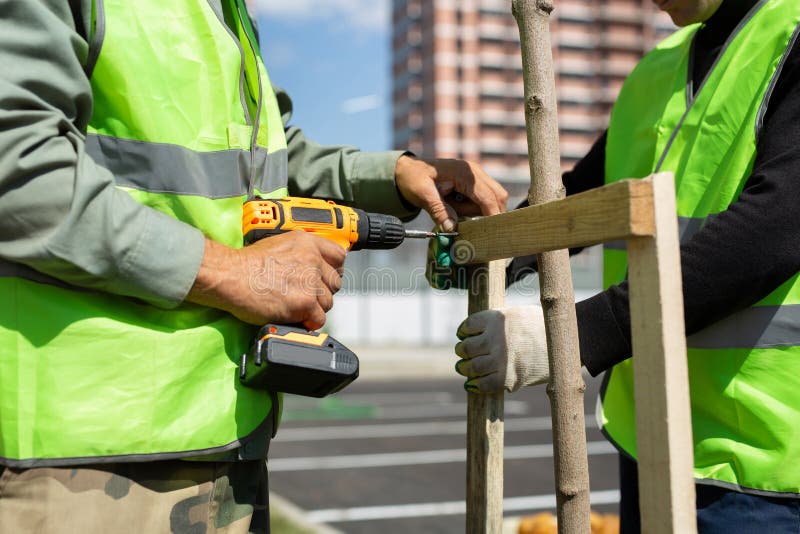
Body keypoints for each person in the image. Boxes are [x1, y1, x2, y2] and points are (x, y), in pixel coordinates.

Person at [0, 1, 508, 532]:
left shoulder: (228, 12)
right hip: (85, 459)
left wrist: (396, 173)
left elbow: (269, 158)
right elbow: (17, 164)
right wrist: (233, 273)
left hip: (225, 446)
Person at [442, 0, 800, 531]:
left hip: (766, 463)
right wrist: (483, 245)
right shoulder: (657, 68)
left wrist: (575, 335)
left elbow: (778, 225)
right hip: (652, 439)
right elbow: (587, 196)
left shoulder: (791, 34)